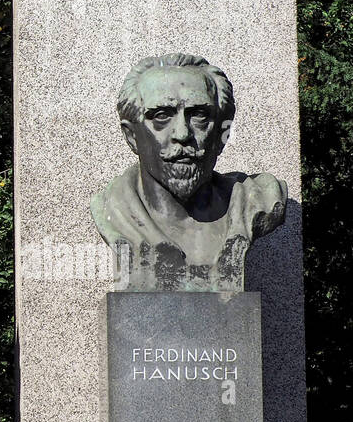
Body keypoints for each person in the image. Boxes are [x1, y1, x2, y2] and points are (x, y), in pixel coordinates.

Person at [91, 53, 286, 292]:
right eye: (161, 116)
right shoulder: (111, 211)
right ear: (132, 137)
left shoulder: (256, 201)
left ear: (222, 133)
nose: (182, 134)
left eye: (199, 115)